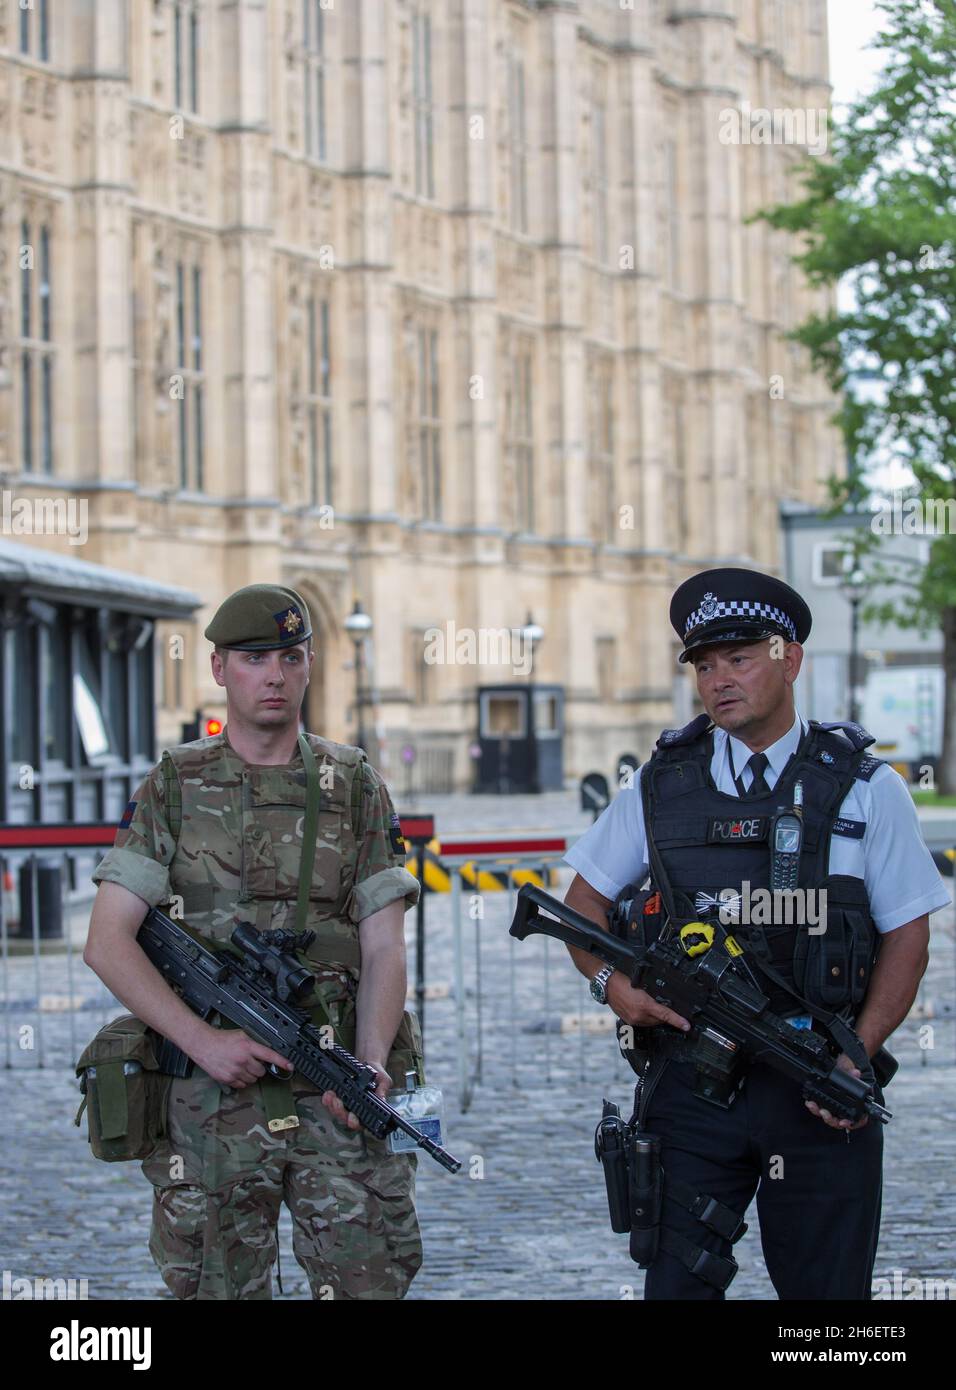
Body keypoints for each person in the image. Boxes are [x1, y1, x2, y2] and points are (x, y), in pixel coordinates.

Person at [564, 567, 950, 1300]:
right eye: (705, 666)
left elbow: (908, 935)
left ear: (790, 659)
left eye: (739, 659)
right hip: (691, 1084)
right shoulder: (659, 786)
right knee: (675, 1290)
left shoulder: (867, 787)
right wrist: (613, 988)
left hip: (815, 1086)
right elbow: (579, 903)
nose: (719, 681)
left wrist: (855, 1060)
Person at [84, 583, 424, 1301]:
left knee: (372, 1279)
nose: (273, 674)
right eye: (254, 658)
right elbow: (109, 942)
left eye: (290, 656)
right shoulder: (175, 785)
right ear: (218, 669)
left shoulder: (354, 782)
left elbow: (385, 946)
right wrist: (203, 1042)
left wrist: (368, 1064)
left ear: (308, 666)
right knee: (215, 1288)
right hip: (210, 1099)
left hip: (334, 1083)